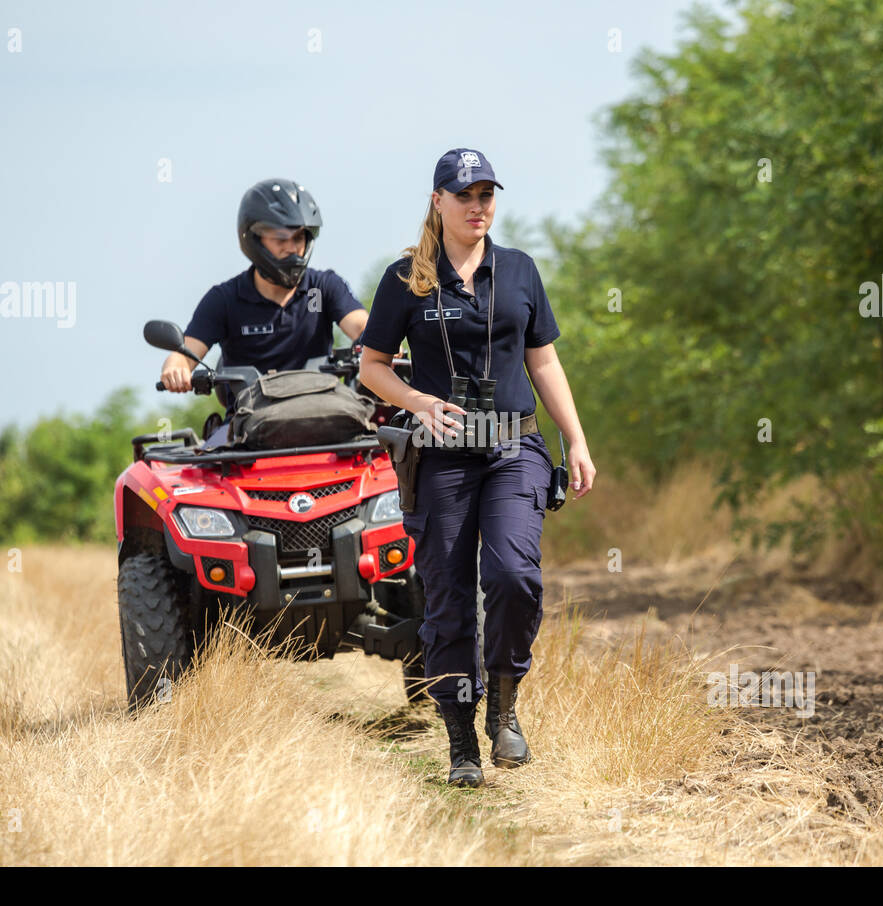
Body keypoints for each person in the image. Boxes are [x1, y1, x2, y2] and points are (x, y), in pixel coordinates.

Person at [357, 148, 596, 787]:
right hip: (441, 460)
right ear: (438, 201)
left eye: (487, 195)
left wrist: (575, 439)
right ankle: (462, 742)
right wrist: (415, 401)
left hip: (515, 448)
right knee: (449, 598)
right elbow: (372, 365)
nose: (477, 207)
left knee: (515, 576)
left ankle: (505, 706)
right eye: (464, 195)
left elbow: (542, 360)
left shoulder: (518, 271)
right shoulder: (404, 278)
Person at [160, 178, 369, 440]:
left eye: (299, 237)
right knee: (202, 467)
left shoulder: (322, 288)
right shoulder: (225, 299)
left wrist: (383, 343)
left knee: (384, 455)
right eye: (281, 238)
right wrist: (175, 368)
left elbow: (362, 326)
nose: (292, 247)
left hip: (324, 420)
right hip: (244, 429)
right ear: (254, 239)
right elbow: (185, 353)